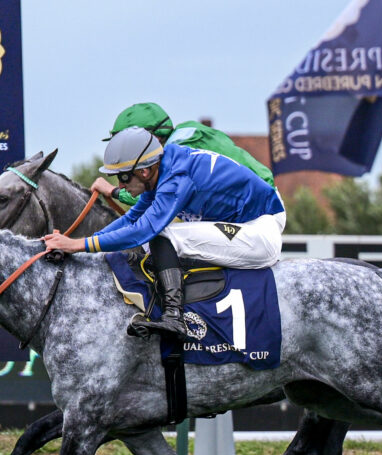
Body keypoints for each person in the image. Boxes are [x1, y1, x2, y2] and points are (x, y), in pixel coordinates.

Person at [43, 126, 287, 340]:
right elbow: (131, 218)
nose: (119, 186)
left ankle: (173, 317)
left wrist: (77, 245)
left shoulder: (176, 177)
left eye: (123, 177)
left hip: (261, 230)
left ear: (144, 171)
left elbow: (143, 230)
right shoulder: (163, 168)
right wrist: (78, 245)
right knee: (157, 241)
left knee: (163, 236)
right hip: (249, 225)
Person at [93, 102, 274, 208]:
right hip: (255, 199)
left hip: (256, 205)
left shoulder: (176, 150)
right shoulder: (186, 133)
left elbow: (160, 201)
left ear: (151, 137)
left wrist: (114, 191)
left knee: (164, 233)